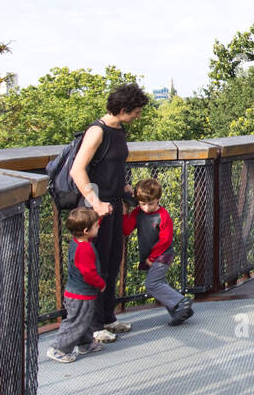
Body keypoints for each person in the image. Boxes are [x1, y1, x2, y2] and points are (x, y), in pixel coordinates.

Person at [69, 82, 150, 344]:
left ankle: (107, 317)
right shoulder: (97, 131)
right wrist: (95, 201)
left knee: (113, 261)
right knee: (97, 264)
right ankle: (93, 326)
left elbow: (112, 166)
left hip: (114, 204)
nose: (138, 116)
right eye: (136, 111)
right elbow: (77, 170)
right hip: (97, 209)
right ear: (123, 108)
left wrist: (124, 189)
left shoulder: (119, 130)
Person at [123, 177, 193, 326]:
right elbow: (126, 230)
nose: (147, 207)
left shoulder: (163, 216)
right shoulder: (137, 213)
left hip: (163, 255)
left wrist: (152, 258)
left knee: (152, 284)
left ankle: (182, 302)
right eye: (143, 204)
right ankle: (179, 311)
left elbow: (165, 240)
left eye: (151, 203)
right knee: (160, 283)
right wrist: (125, 212)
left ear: (158, 199)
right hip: (151, 256)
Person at [47, 208, 108, 363]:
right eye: (96, 226)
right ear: (86, 230)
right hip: (81, 295)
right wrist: (100, 283)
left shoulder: (77, 241)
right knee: (76, 321)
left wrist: (99, 216)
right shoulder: (85, 248)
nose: (98, 227)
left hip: (75, 293)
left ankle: (85, 343)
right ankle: (59, 348)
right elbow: (88, 273)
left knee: (84, 319)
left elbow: (90, 226)